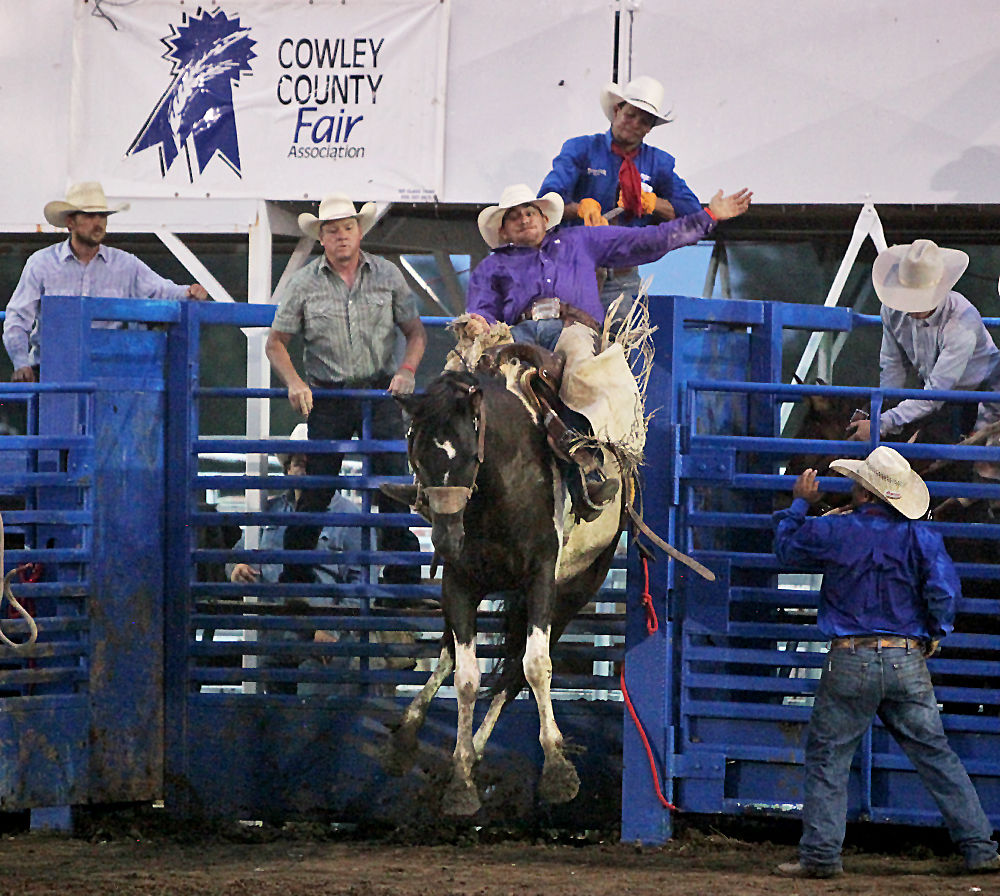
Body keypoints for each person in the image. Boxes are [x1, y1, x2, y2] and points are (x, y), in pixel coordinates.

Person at [772, 445, 1000, 878]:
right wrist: (936, 631)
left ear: (862, 492)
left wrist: (801, 501)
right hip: (906, 657)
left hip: (850, 657)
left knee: (829, 759)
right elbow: (946, 592)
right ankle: (979, 848)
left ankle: (821, 857)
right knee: (937, 756)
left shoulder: (835, 530)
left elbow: (786, 549)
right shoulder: (921, 535)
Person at [462, 181, 751, 519]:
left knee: (584, 370)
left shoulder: (579, 240)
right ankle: (452, 475)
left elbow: (646, 241)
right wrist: (479, 323)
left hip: (573, 328)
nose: (524, 219)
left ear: (545, 218)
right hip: (518, 333)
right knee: (469, 385)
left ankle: (589, 461)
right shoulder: (491, 266)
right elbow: (480, 308)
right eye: (514, 217)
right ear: (504, 229)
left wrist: (708, 216)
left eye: (530, 212)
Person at [265, 193, 426, 588]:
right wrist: (296, 382)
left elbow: (416, 333)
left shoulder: (386, 274)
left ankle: (402, 576)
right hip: (329, 395)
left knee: (394, 482)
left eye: (348, 228)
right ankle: (296, 575)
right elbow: (275, 342)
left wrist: (406, 369)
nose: (341, 236)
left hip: (379, 391)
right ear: (322, 237)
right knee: (319, 485)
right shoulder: (304, 283)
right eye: (333, 230)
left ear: (359, 232)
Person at [3, 181, 209, 382]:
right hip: (51, 370)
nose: (98, 222)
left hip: (106, 372)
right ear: (70, 222)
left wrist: (188, 293)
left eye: (103, 215)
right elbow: (17, 318)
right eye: (90, 215)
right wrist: (21, 363)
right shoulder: (42, 264)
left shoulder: (125, 264)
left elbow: (162, 291)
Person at [538, 76, 703, 317]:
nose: (634, 124)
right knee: (566, 341)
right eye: (630, 115)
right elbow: (546, 202)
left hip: (622, 275)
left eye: (643, 121)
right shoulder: (581, 149)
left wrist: (653, 203)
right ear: (617, 110)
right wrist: (579, 209)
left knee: (619, 346)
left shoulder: (659, 164)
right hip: (572, 269)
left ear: (649, 128)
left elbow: (693, 215)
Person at [227, 424, 363, 695]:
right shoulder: (269, 511)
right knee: (275, 710)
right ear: (287, 469)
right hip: (274, 634)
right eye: (298, 463)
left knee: (311, 709)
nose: (303, 470)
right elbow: (237, 555)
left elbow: (361, 580)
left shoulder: (349, 515)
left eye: (311, 464)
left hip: (321, 638)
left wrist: (332, 627)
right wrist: (236, 569)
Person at [848, 240, 1000, 444]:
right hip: (935, 393)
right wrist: (883, 411)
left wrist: (881, 423)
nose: (911, 306)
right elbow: (893, 365)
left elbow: (936, 392)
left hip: (984, 395)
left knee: (983, 457)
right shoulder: (892, 310)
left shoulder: (962, 322)